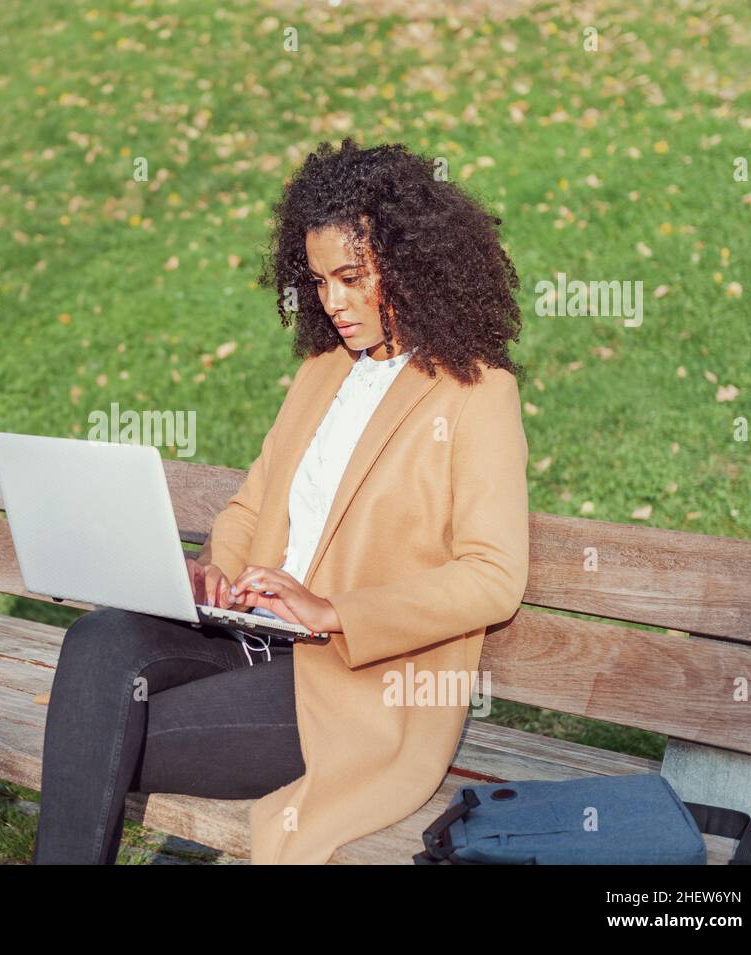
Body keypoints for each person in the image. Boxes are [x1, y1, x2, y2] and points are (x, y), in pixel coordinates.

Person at [32, 140, 530, 864]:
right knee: (98, 642)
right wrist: (212, 572)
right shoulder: (321, 373)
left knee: (95, 725)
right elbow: (249, 504)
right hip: (246, 635)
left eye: (353, 277)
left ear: (412, 262)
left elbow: (493, 574)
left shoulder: (477, 394)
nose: (332, 302)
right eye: (320, 279)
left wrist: (335, 611)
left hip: (349, 680)